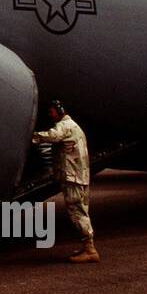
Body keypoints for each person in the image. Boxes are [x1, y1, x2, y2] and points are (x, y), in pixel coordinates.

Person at [32, 100, 99, 263]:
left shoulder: (65, 125)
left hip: (73, 177)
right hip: (79, 176)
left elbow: (53, 135)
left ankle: (90, 250)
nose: (50, 114)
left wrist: (32, 137)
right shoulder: (74, 126)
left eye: (52, 111)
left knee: (77, 211)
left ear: (59, 111)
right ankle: (87, 247)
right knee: (81, 210)